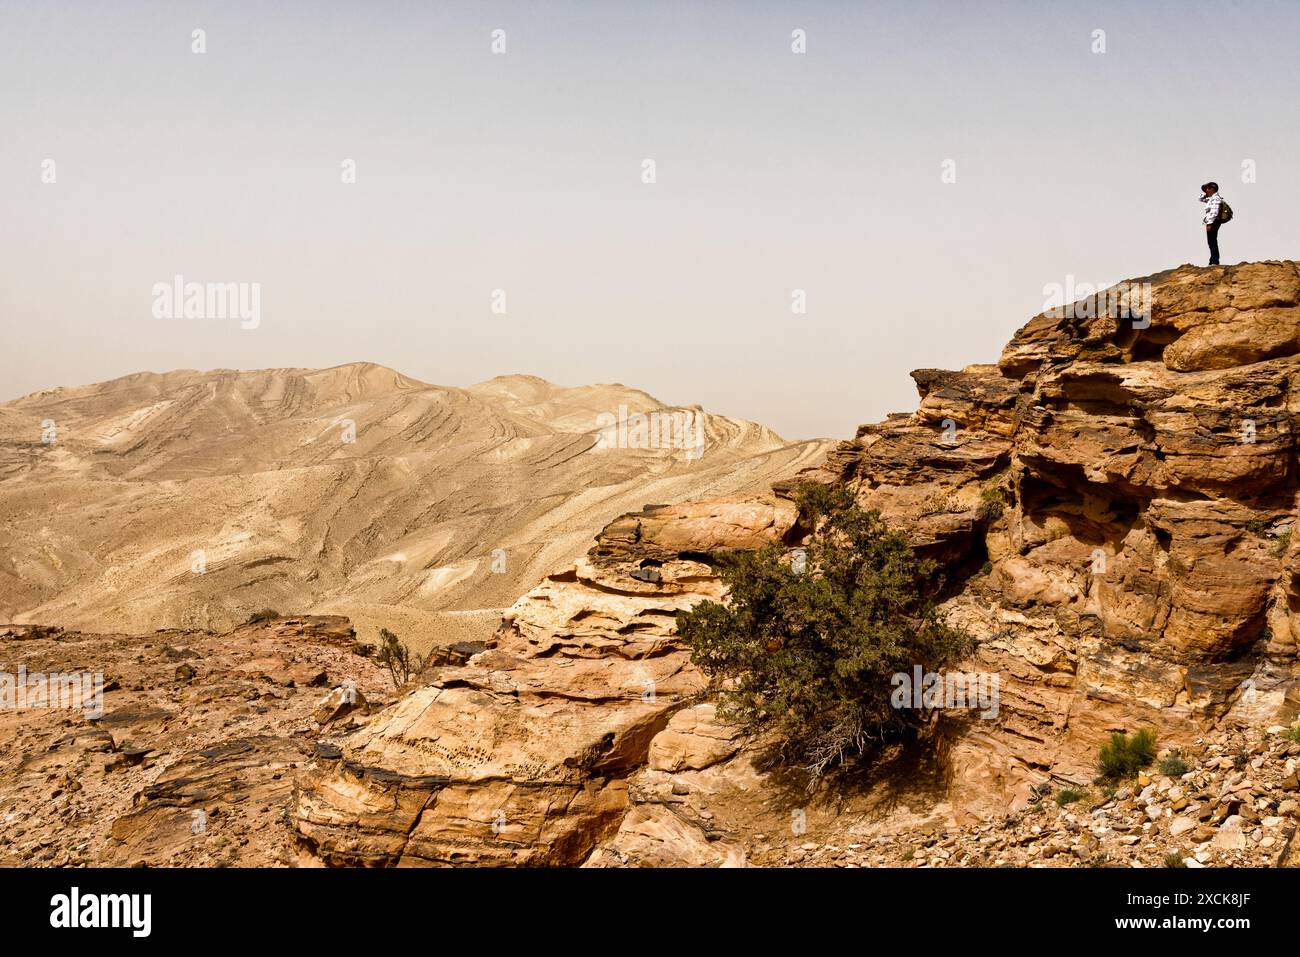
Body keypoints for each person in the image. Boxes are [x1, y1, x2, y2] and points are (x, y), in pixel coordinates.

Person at [1200, 182, 1224, 265]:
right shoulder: (1211, 199)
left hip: (1213, 222)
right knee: (1211, 242)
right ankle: (1212, 261)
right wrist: (1206, 193)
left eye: (1208, 188)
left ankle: (1214, 261)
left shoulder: (1215, 199)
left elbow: (1214, 212)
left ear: (1213, 189)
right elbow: (1201, 199)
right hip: (1212, 222)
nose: (1207, 190)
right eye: (1206, 189)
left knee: (1212, 242)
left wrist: (1209, 224)